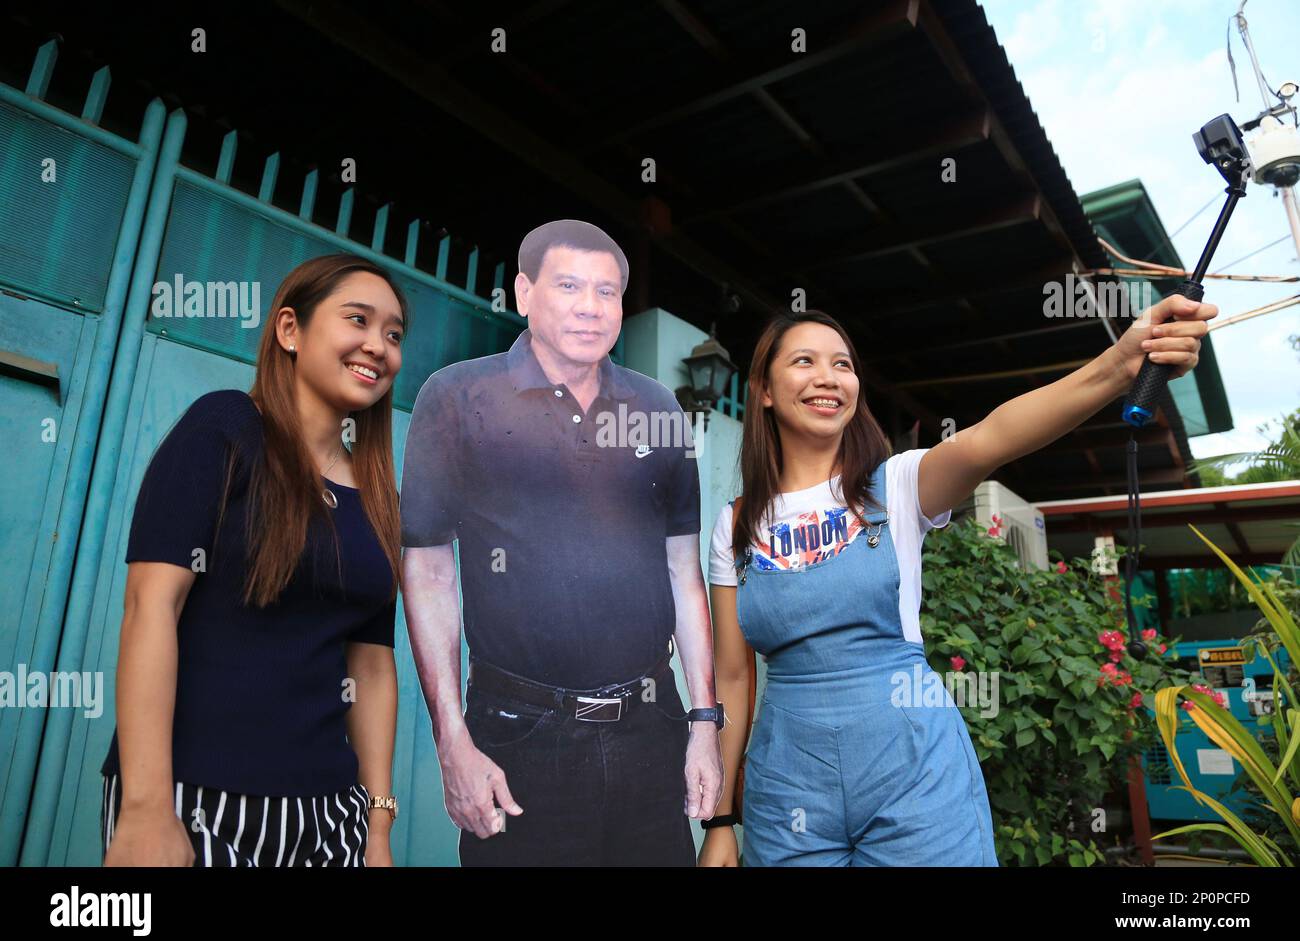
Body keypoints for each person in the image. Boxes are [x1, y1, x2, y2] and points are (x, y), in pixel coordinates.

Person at [701, 300, 1212, 866]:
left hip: (911, 771)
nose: (828, 377)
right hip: (788, 787)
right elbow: (731, 677)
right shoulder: (734, 524)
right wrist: (721, 818)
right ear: (764, 390)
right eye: (804, 361)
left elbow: (989, 438)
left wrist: (1118, 367)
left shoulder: (895, 485)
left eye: (843, 365)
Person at [400, 219, 723, 866]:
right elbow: (429, 572)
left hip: (649, 728)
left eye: (607, 293)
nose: (590, 307)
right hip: (521, 736)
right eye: (569, 285)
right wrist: (451, 739)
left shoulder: (656, 408)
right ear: (523, 292)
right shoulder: (460, 399)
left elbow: (683, 574)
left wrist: (703, 726)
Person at [100, 254, 407, 867]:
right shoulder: (224, 429)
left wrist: (376, 830)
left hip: (330, 818)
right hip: (198, 801)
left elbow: (371, 668)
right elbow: (150, 607)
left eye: (394, 335)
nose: (378, 346)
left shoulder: (378, 499)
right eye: (358, 320)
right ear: (290, 330)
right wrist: (145, 809)